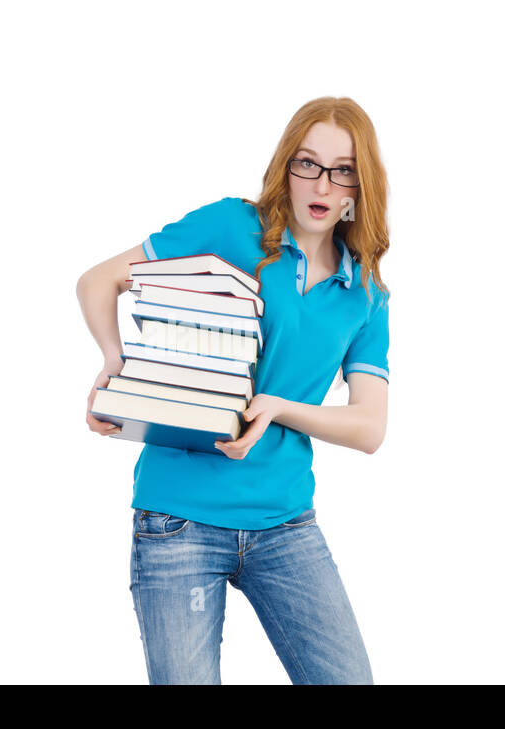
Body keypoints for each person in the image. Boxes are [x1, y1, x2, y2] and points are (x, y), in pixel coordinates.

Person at [76, 96, 391, 684]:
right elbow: (99, 280)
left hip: (285, 523)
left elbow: (369, 426)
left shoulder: (365, 292)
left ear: (360, 185)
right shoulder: (233, 226)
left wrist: (278, 409)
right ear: (285, 169)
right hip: (179, 520)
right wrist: (115, 365)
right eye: (307, 163)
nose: (322, 183)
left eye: (342, 169)